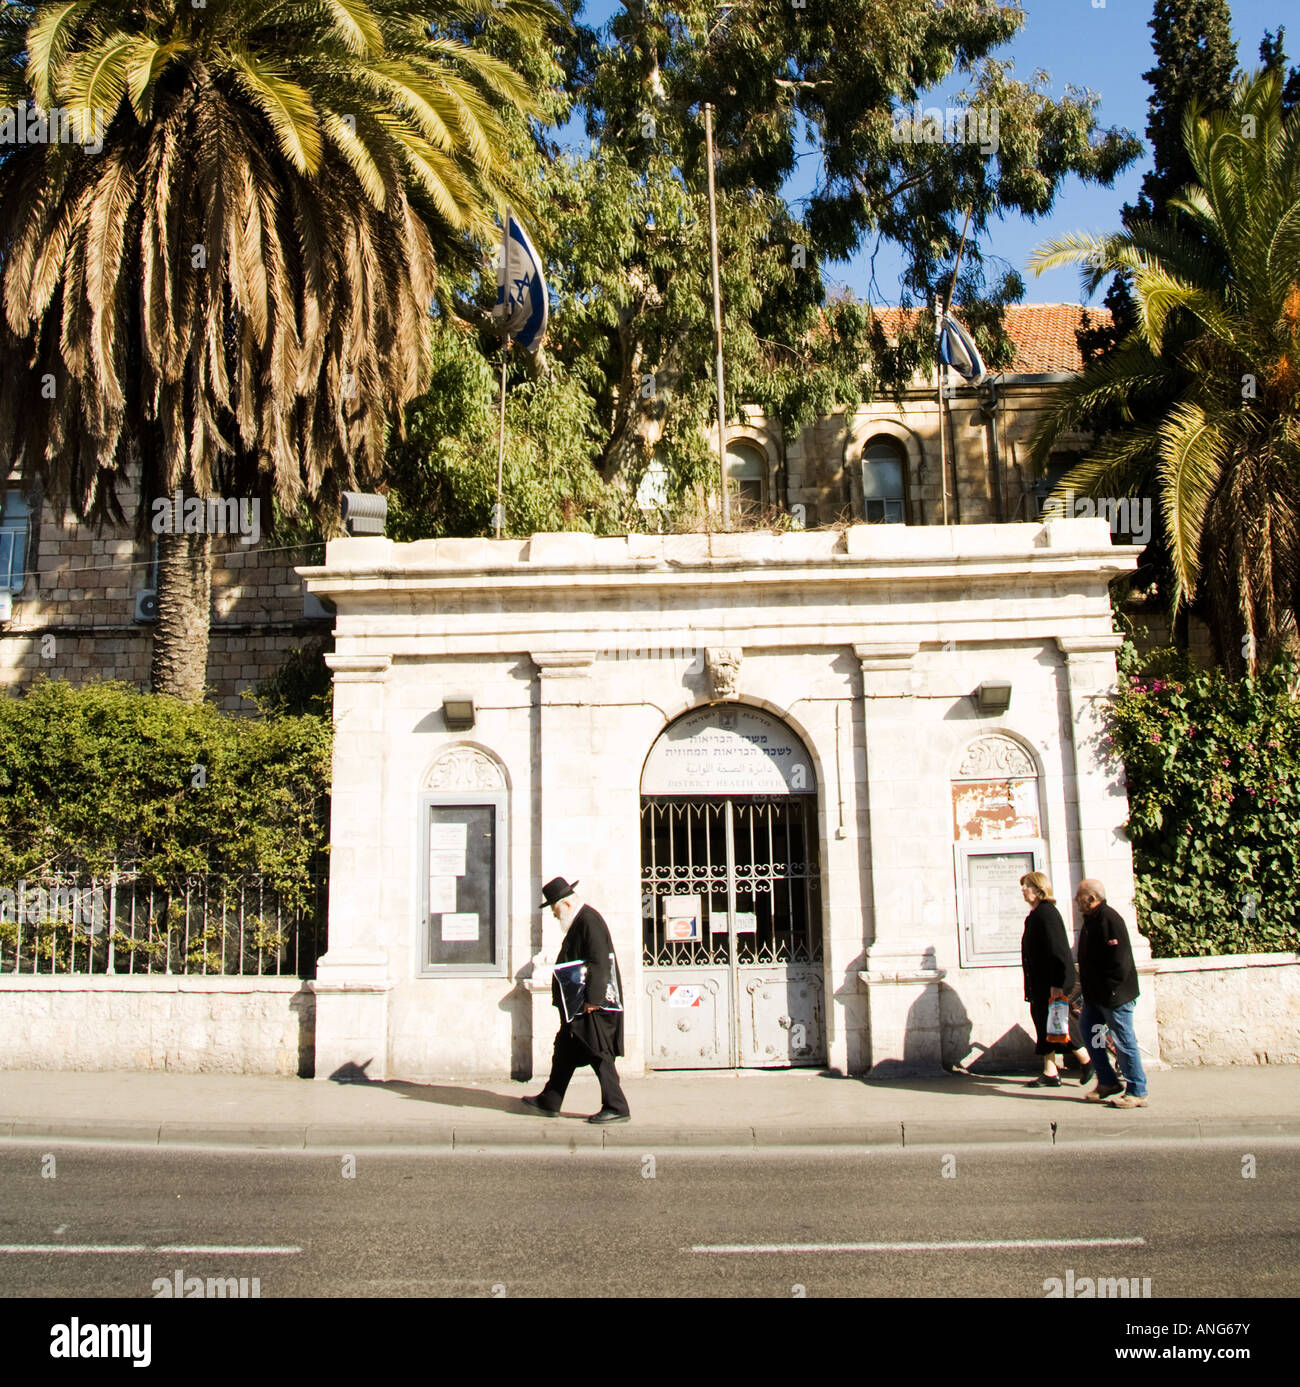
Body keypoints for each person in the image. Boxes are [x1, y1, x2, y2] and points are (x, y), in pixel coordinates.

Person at [522, 877, 630, 1124]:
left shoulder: (589, 921)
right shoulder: (581, 921)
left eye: (554, 908)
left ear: (567, 905)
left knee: (598, 1053)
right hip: (579, 1006)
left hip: (591, 1006)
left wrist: (592, 1000)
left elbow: (599, 961)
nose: (553, 914)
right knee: (564, 1051)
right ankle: (550, 1099)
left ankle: (617, 1106)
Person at [1074, 877, 1149, 1108]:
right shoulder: (1091, 920)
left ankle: (1137, 1090)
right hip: (1096, 997)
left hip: (1114, 996)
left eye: (1080, 897)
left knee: (1124, 1040)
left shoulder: (1108, 919)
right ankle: (1107, 1082)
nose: (1076, 901)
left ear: (1092, 898)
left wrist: (1110, 990)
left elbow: (1119, 961)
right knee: (1089, 1032)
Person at [1019, 872, 1093, 1087]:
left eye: (1026, 886)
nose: (1023, 890)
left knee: (1058, 1023)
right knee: (1044, 1023)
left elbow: (1059, 952)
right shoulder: (1037, 915)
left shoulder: (1046, 914)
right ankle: (1050, 1071)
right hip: (1041, 982)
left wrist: (1058, 984)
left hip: (1051, 983)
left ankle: (1087, 1060)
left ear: (1038, 890)